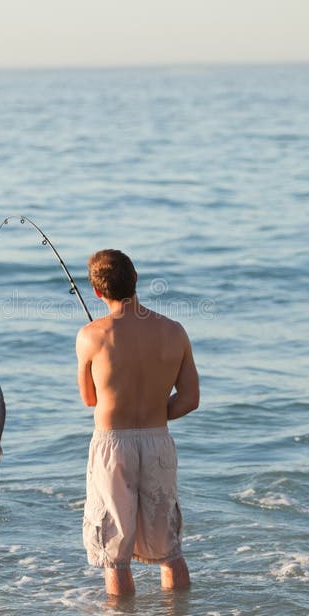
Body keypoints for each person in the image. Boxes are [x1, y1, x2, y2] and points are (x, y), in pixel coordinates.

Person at [76, 249, 199, 598]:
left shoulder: (90, 336)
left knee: (115, 554)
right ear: (136, 281)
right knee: (168, 550)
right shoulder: (174, 331)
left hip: (112, 444)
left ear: (98, 293)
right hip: (158, 440)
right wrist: (157, 414)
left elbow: (89, 399)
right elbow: (190, 399)